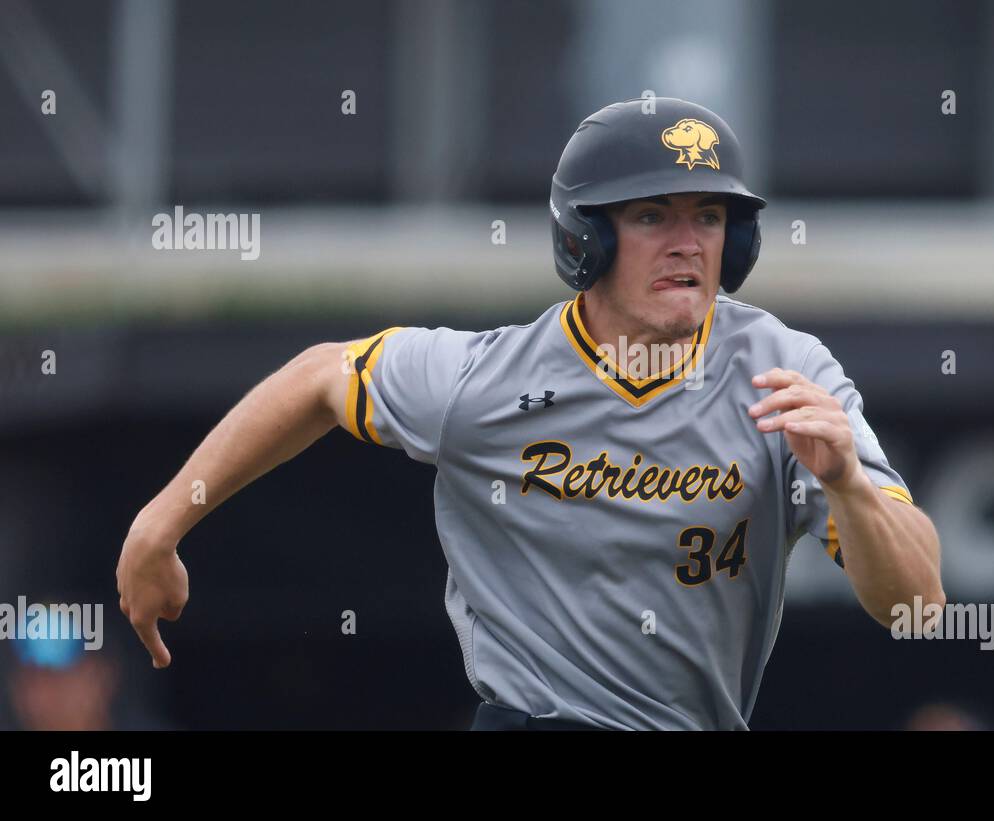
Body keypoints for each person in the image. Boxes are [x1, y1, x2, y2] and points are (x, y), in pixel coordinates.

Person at [116, 97, 943, 730]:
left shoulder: (787, 372)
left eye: (710, 216)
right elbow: (317, 379)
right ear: (585, 240)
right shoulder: (488, 381)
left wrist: (849, 488)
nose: (688, 242)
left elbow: (919, 605)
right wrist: (161, 523)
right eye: (652, 215)